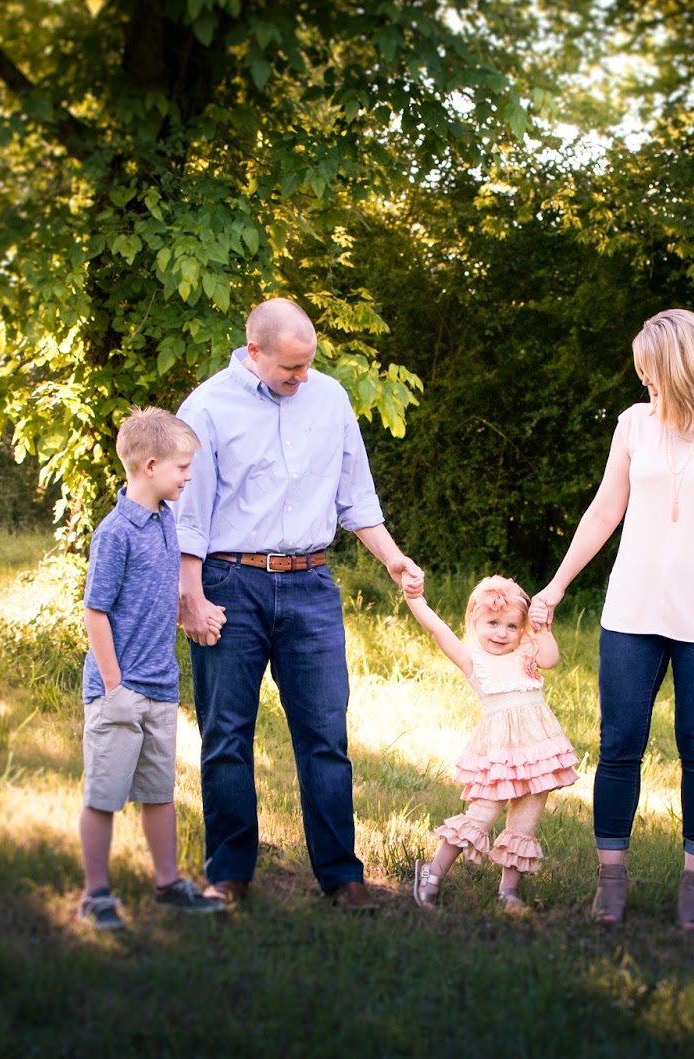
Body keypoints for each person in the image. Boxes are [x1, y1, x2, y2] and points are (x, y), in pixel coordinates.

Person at [528, 308, 694, 931]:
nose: (646, 385)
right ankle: (611, 880)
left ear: (683, 370)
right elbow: (606, 506)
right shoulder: (634, 424)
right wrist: (557, 585)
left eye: (652, 374)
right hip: (632, 610)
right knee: (618, 746)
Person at [175, 297, 425, 912]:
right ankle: (229, 872)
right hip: (230, 583)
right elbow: (187, 516)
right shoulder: (206, 408)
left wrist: (393, 559)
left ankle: (342, 876)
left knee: (324, 734)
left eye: (308, 365)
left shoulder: (330, 399)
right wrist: (191, 596)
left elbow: (355, 494)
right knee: (226, 733)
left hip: (311, 585)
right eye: (289, 368)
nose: (301, 378)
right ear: (253, 351)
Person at [77, 408, 226, 931]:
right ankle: (95, 894)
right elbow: (96, 611)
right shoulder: (115, 533)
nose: (189, 476)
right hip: (120, 690)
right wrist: (113, 685)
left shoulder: (167, 521)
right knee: (104, 795)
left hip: (161, 687)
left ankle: (168, 884)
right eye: (183, 467)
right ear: (150, 465)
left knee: (159, 792)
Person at [405, 576, 579, 914]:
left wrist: (541, 628)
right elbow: (438, 630)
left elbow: (552, 658)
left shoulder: (527, 651)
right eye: (493, 623)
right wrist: (415, 599)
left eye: (512, 626)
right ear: (475, 621)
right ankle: (431, 871)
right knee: (481, 814)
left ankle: (509, 890)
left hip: (538, 752)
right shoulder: (473, 660)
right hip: (498, 752)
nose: (502, 632)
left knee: (524, 823)